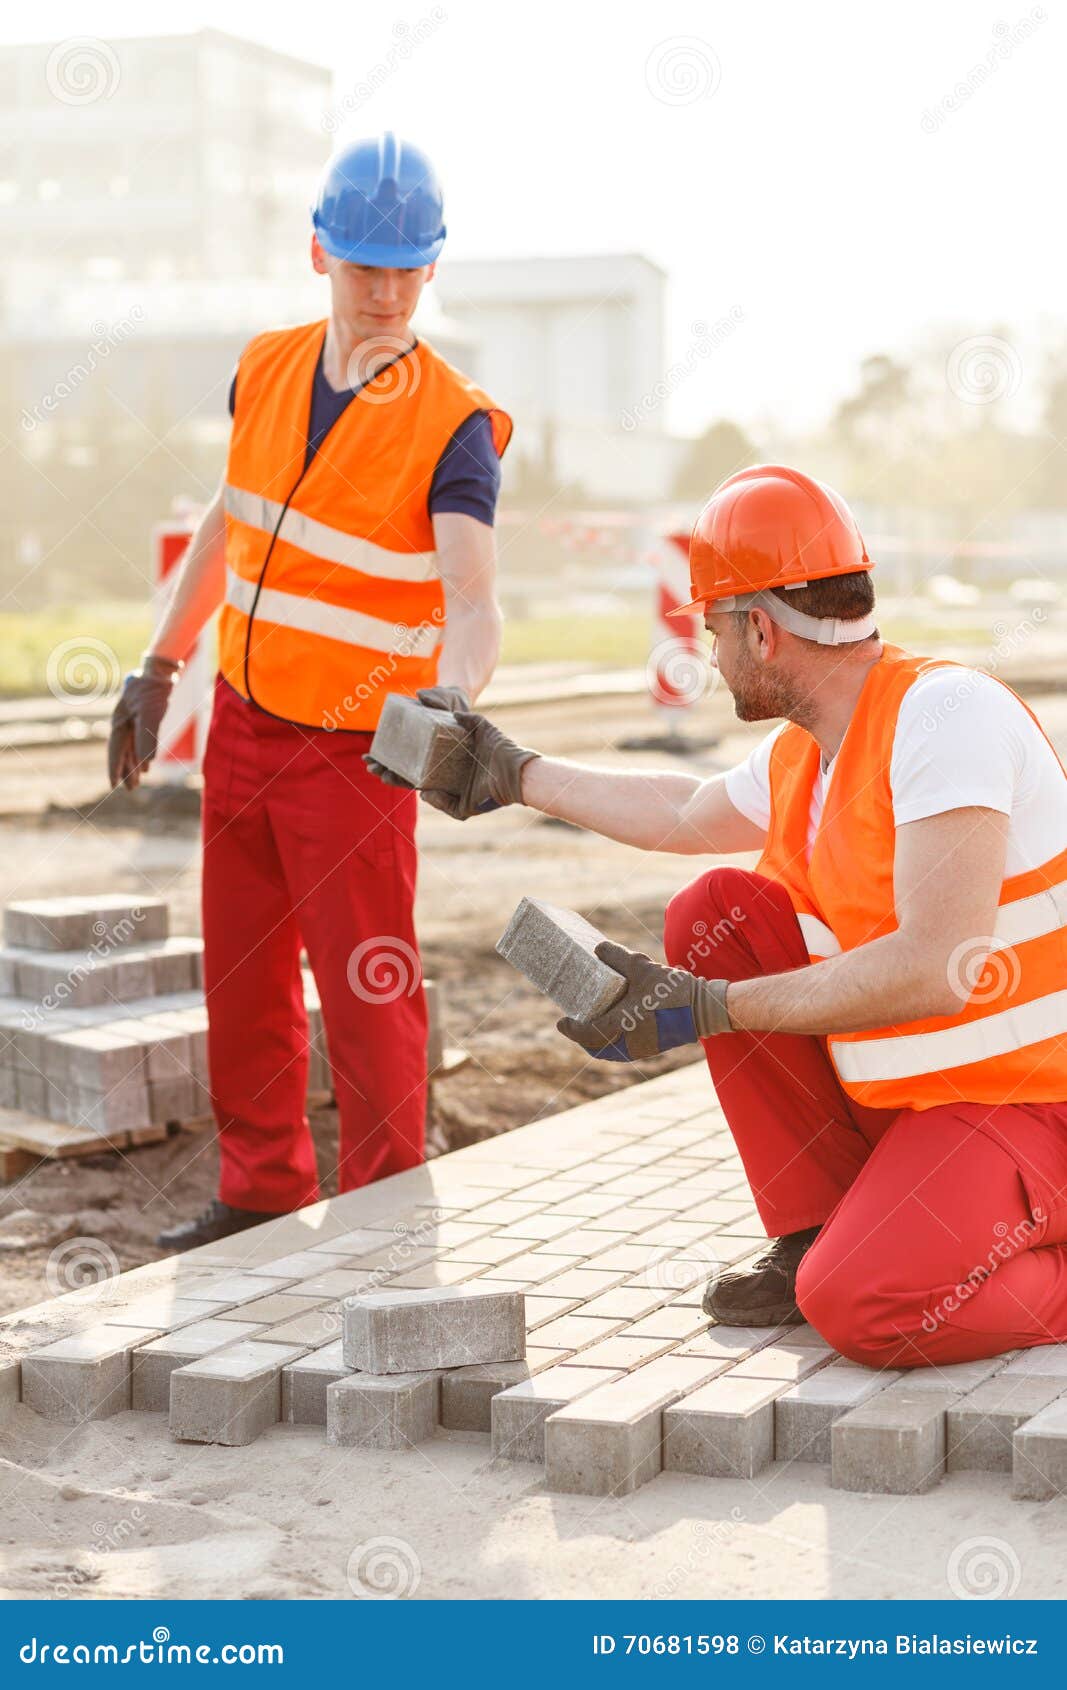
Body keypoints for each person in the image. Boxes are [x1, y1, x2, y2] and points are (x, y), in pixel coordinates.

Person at [415, 464, 1067, 1368]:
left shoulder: (942, 717)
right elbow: (682, 813)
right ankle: (817, 1226)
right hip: (918, 1107)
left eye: (711, 628)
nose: (710, 652)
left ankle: (909, 1255)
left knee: (864, 1305)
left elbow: (932, 966)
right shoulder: (811, 751)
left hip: (1027, 1108)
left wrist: (709, 1006)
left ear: (758, 630)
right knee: (718, 909)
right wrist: (512, 773)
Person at [108, 133, 511, 1250]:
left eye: (405, 270)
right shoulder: (266, 366)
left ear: (432, 267)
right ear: (318, 253)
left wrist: (448, 700)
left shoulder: (454, 425)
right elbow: (225, 529)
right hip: (242, 719)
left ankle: (385, 1212)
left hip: (357, 751)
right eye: (361, 268)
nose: (384, 294)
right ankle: (264, 1187)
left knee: (369, 991)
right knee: (244, 981)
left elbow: (475, 602)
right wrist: (159, 661)